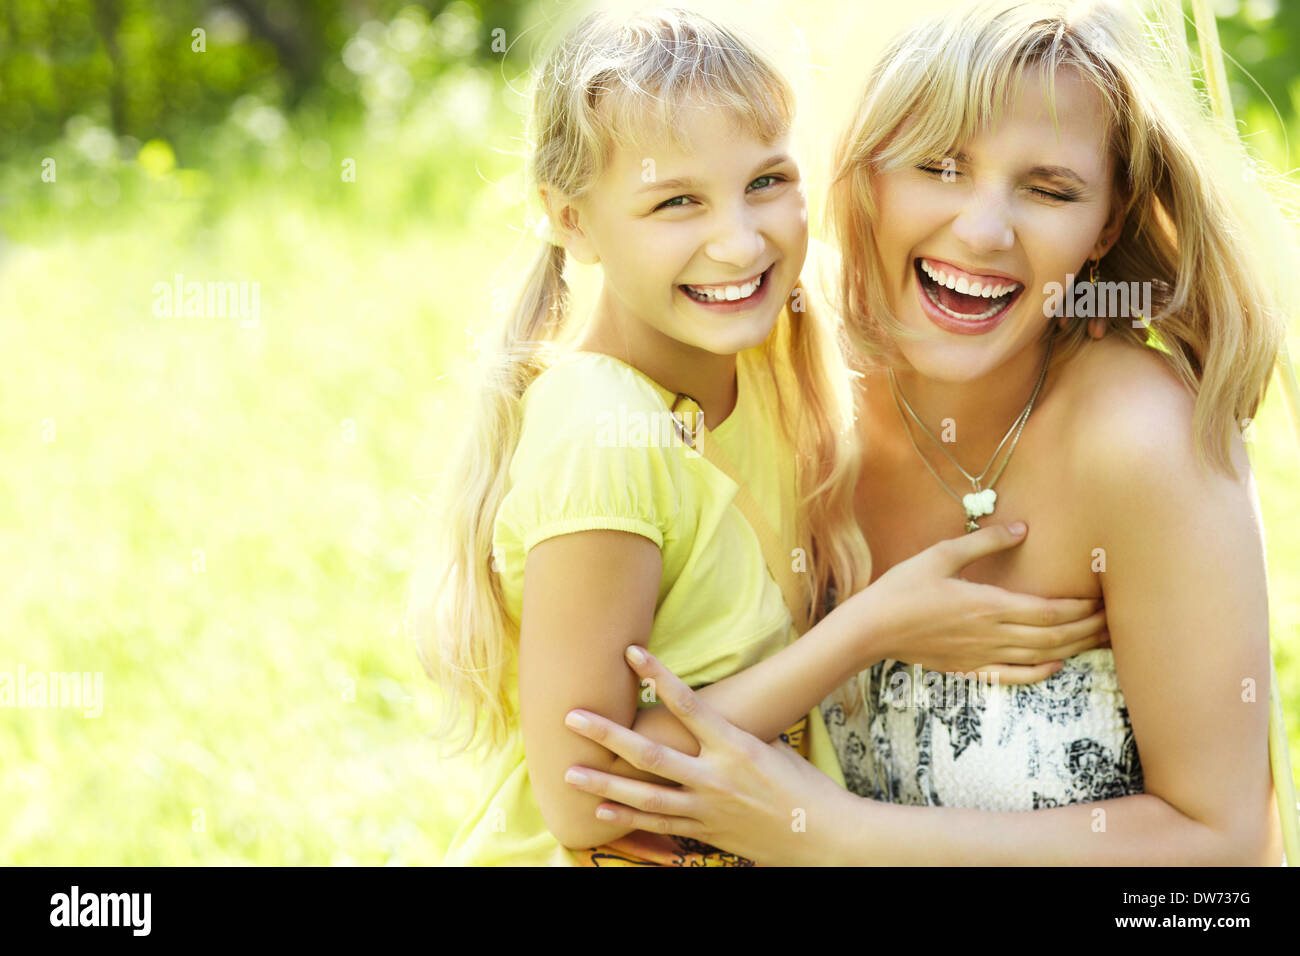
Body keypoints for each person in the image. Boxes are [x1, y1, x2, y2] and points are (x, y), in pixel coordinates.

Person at [560, 0, 1292, 864]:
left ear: (1112, 222)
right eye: (939, 167)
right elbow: (599, 764)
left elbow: (1225, 846)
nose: (983, 232)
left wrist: (838, 840)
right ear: (863, 172)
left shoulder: (1142, 440)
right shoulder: (776, 375)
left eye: (1051, 189)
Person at [407, 6, 1111, 866]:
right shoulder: (607, 431)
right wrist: (871, 630)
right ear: (573, 221)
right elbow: (584, 793)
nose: (739, 243)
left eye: (767, 183)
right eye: (677, 202)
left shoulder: (774, 363)